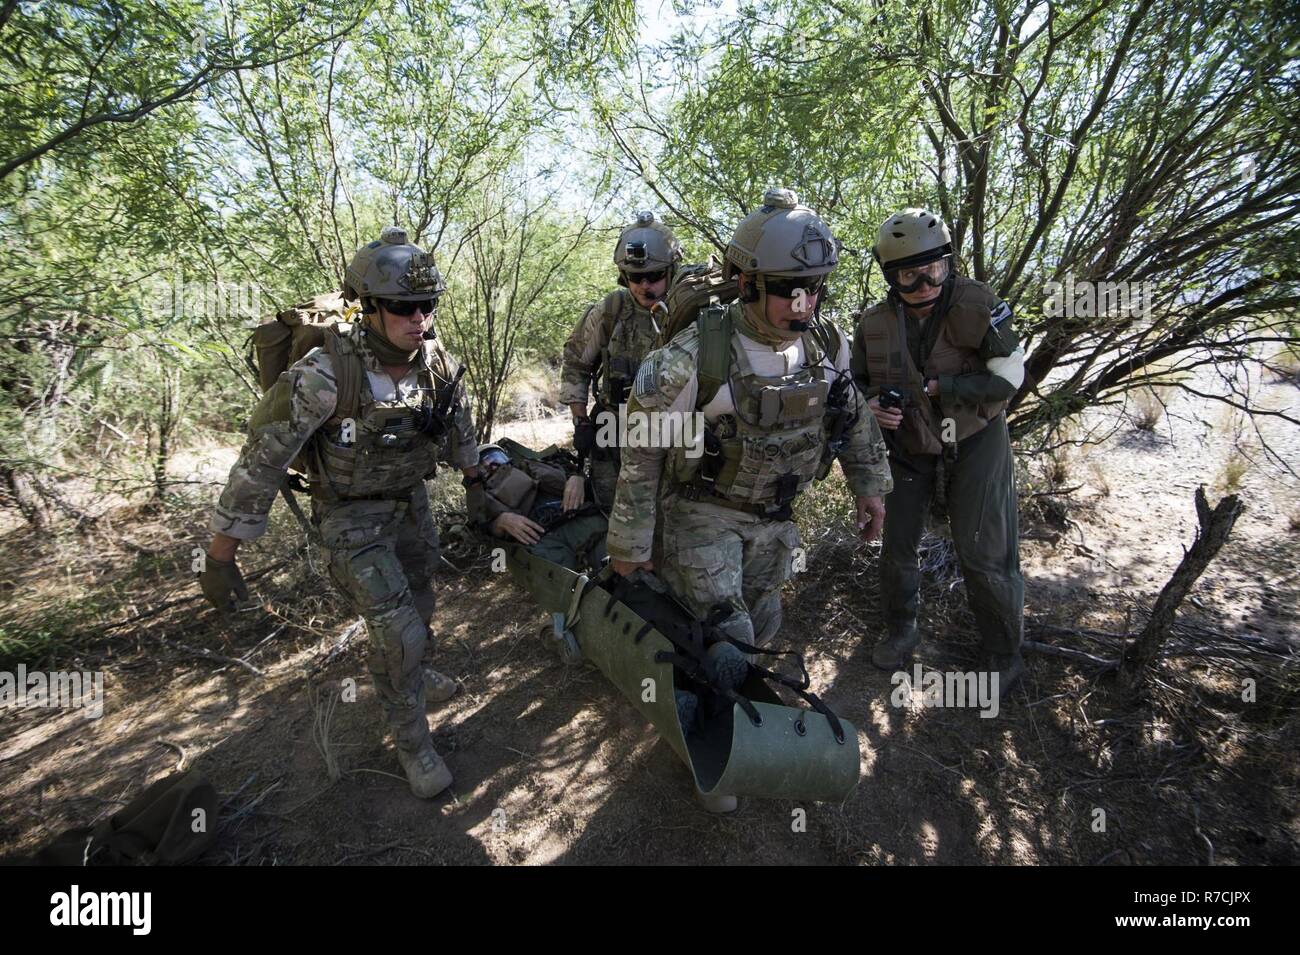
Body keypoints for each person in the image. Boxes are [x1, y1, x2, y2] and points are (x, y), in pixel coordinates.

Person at [605, 189, 893, 810]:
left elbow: (852, 418)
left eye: (815, 287)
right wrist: (629, 546)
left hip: (775, 518)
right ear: (746, 281)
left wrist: (869, 485)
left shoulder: (824, 344)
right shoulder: (690, 362)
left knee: (762, 627)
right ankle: (710, 756)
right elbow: (642, 456)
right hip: (701, 513)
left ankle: (743, 735)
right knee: (722, 633)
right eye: (790, 287)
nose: (804, 302)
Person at [198, 226, 480, 798]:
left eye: (427, 306)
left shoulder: (434, 361)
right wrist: (221, 556)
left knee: (421, 597)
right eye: (403, 308)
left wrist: (480, 482)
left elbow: (460, 427)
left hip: (410, 502)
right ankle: (412, 741)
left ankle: (415, 674)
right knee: (397, 629)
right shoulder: (325, 375)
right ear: (369, 308)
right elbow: (260, 461)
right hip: (349, 516)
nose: (418, 319)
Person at [851, 208, 1026, 695]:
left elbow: (1010, 378)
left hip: (975, 440)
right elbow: (855, 385)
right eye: (910, 273)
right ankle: (902, 629)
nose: (925, 281)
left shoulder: (979, 304)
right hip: (911, 447)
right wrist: (870, 405)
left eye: (935, 267)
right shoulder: (874, 324)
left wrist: (944, 386)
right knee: (898, 546)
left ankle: (1002, 652)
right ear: (891, 277)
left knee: (984, 551)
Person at [560, 211, 684, 508]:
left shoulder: (689, 312)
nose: (645, 286)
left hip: (673, 435)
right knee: (612, 514)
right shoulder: (611, 310)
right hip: (612, 430)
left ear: (671, 270)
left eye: (654, 276)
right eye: (635, 277)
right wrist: (581, 424)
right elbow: (576, 364)